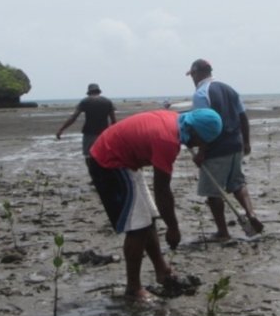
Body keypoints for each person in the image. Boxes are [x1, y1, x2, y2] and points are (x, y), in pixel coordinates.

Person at [88, 108, 222, 300]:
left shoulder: (176, 119)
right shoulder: (167, 140)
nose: (199, 145)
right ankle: (133, 288)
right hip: (109, 162)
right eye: (201, 141)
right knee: (137, 228)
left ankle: (162, 270)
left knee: (148, 218)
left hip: (126, 160)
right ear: (194, 132)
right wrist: (173, 228)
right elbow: (162, 190)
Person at [186, 58, 263, 240]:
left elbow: (203, 124)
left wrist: (201, 152)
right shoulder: (229, 88)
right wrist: (246, 142)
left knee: (213, 192)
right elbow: (242, 116)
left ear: (197, 73)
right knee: (238, 183)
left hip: (216, 147)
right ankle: (251, 214)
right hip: (235, 143)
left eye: (192, 74)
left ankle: (223, 232)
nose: (192, 78)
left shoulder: (201, 94)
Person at [56, 83, 117, 164]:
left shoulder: (85, 101)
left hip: (89, 133)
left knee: (89, 156)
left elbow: (73, 117)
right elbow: (113, 121)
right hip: (104, 133)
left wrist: (61, 129)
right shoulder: (107, 102)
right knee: (103, 155)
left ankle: (93, 173)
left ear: (89, 92)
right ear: (98, 91)